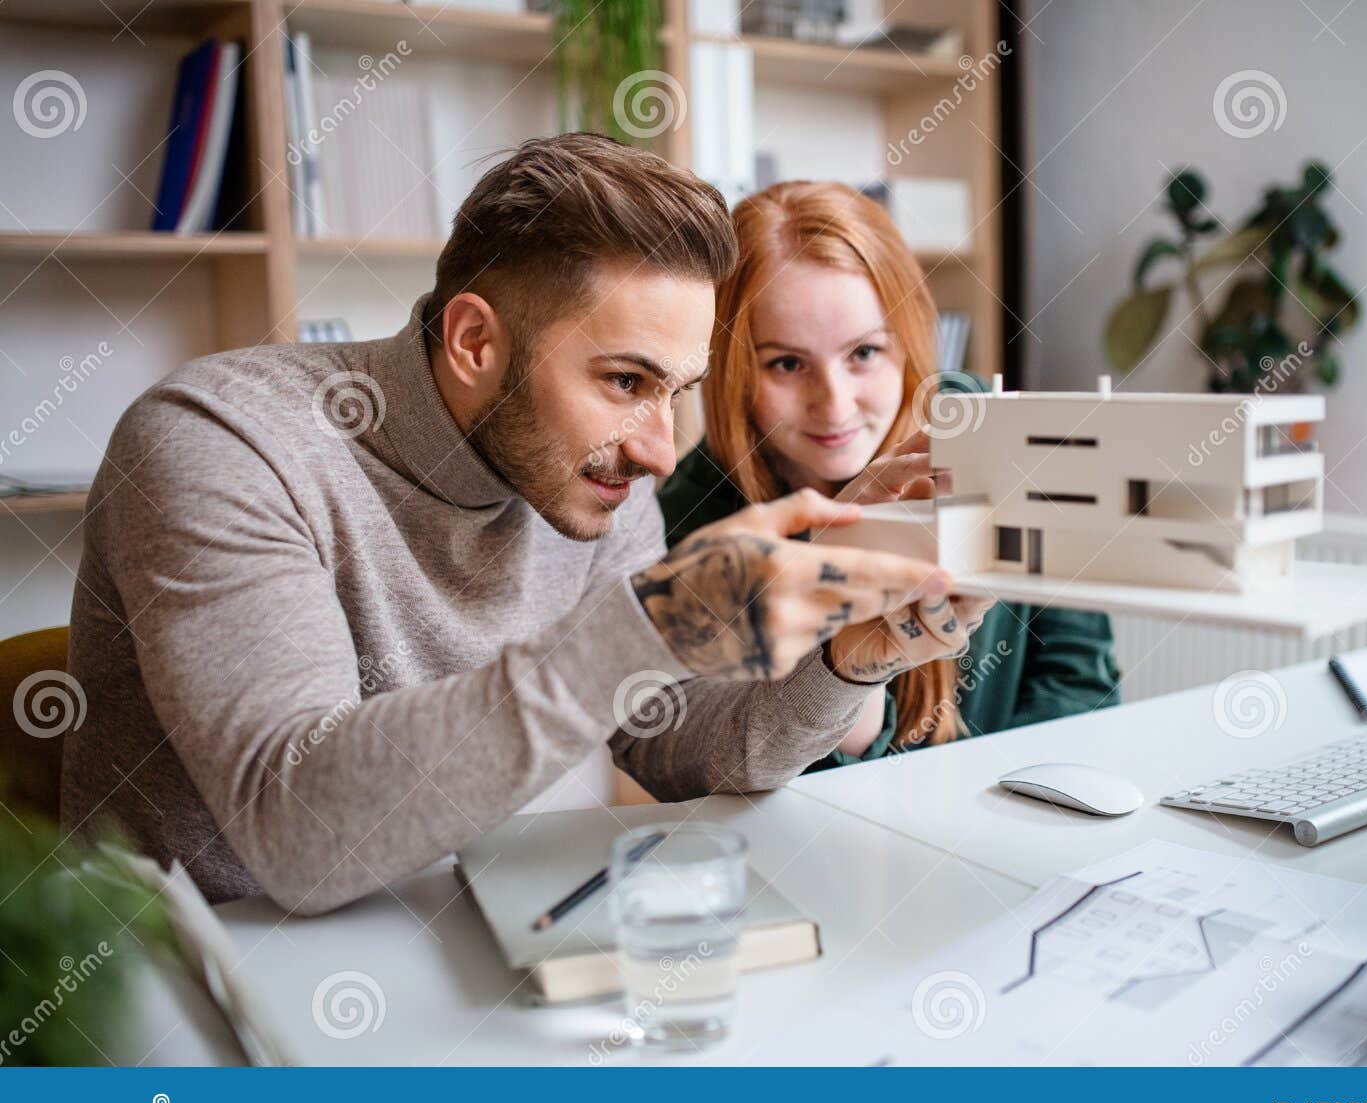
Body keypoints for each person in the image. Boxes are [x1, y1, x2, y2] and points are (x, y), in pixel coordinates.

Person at [60, 135, 990, 913]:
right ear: (474, 342)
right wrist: (655, 623)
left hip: (447, 938)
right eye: (625, 382)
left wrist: (839, 664)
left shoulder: (592, 479)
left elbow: (673, 741)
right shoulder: (221, 445)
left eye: (676, 391)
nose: (662, 450)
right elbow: (295, 830)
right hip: (185, 987)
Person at [658, 181, 1120, 768]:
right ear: (733, 371)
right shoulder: (697, 525)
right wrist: (843, 657)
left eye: (864, 353)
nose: (835, 404)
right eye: (787, 363)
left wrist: (993, 806)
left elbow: (1081, 680)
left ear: (909, 342)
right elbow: (756, 774)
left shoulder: (991, 431)